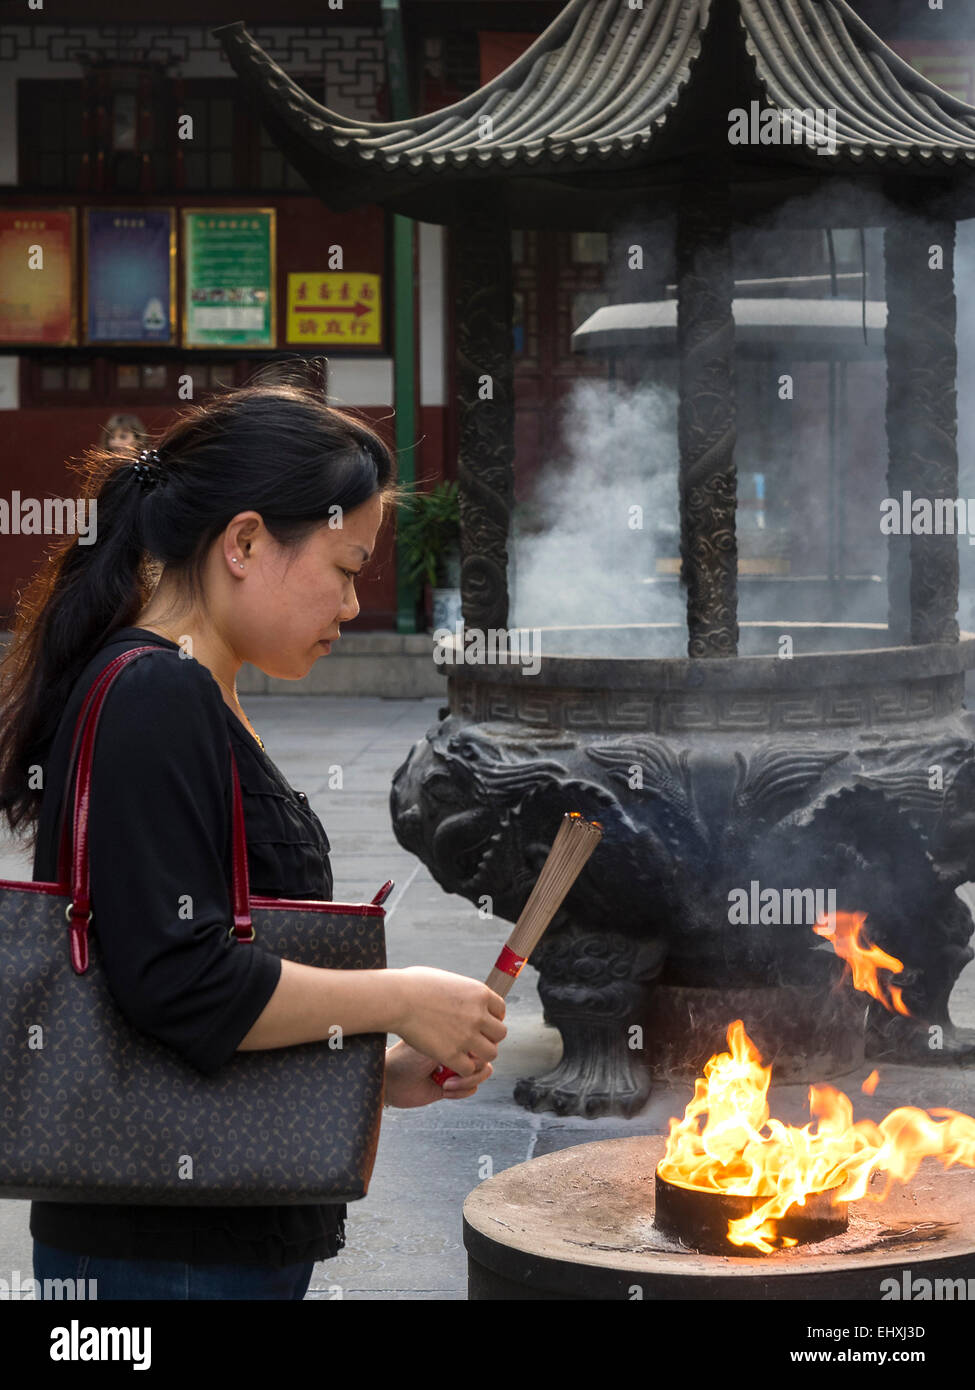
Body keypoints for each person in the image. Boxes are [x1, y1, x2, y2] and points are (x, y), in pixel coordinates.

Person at [0, 380, 506, 1301]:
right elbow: (180, 981)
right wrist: (399, 996)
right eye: (345, 568)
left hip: (208, 1223)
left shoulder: (195, 689)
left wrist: (376, 1072)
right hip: (170, 1252)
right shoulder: (158, 693)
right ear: (243, 542)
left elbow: (204, 970)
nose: (354, 604)